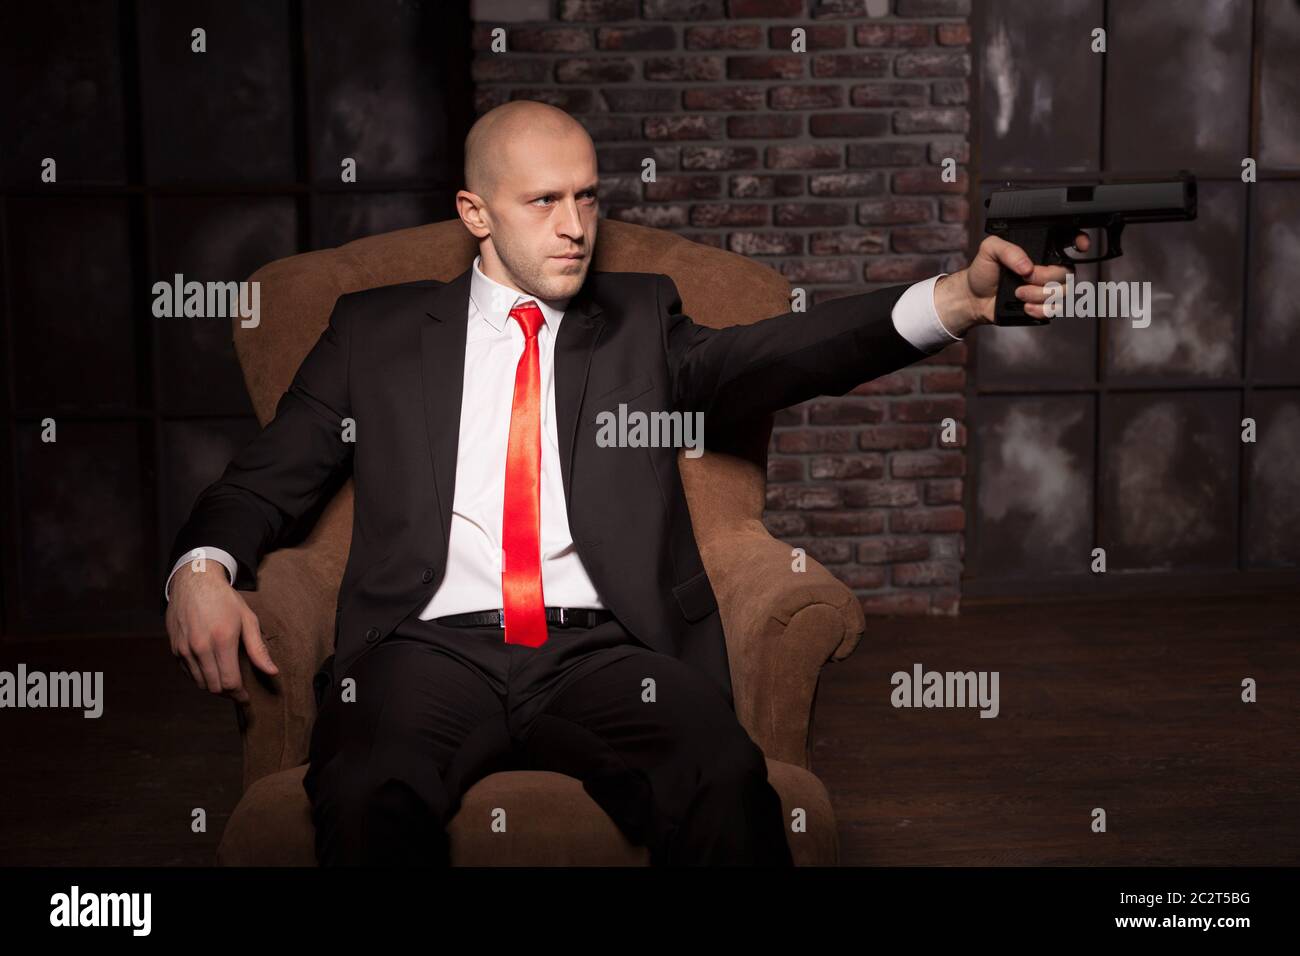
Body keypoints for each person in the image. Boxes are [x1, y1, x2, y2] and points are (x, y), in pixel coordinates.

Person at [162, 100, 1086, 866]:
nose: (574, 227)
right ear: (476, 212)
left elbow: (779, 355)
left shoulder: (640, 320)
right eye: (542, 202)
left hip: (601, 653)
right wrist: (201, 569)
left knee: (724, 779)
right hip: (423, 649)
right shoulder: (374, 333)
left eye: (587, 198)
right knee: (368, 790)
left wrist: (955, 300)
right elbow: (263, 481)